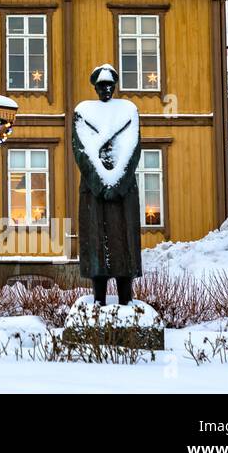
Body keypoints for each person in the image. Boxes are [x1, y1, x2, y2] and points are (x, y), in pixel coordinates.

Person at [72, 63, 143, 304]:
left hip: (124, 193)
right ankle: (98, 299)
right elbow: (82, 150)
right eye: (102, 86)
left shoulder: (129, 111)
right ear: (95, 87)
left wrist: (118, 184)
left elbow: (132, 149)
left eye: (109, 85)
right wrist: (101, 184)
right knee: (96, 247)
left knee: (124, 247)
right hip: (94, 192)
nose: (106, 90)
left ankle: (126, 298)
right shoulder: (83, 112)